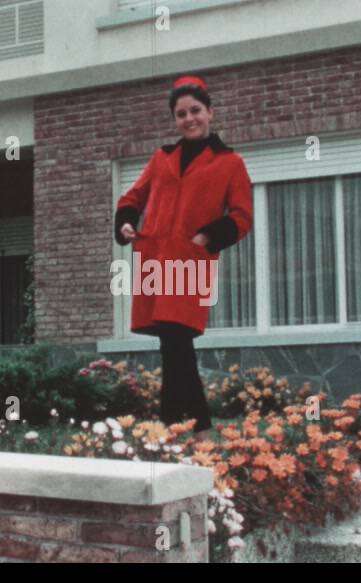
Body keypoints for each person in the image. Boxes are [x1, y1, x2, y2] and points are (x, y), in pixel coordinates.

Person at [114, 74, 254, 441]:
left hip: (189, 261)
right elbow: (131, 199)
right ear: (174, 119)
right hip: (154, 260)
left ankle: (188, 429)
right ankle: (181, 430)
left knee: (176, 342)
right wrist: (127, 223)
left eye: (195, 111)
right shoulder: (161, 158)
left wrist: (207, 235)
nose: (189, 119)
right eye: (181, 114)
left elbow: (242, 217)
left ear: (210, 112)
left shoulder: (230, 163)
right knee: (171, 346)